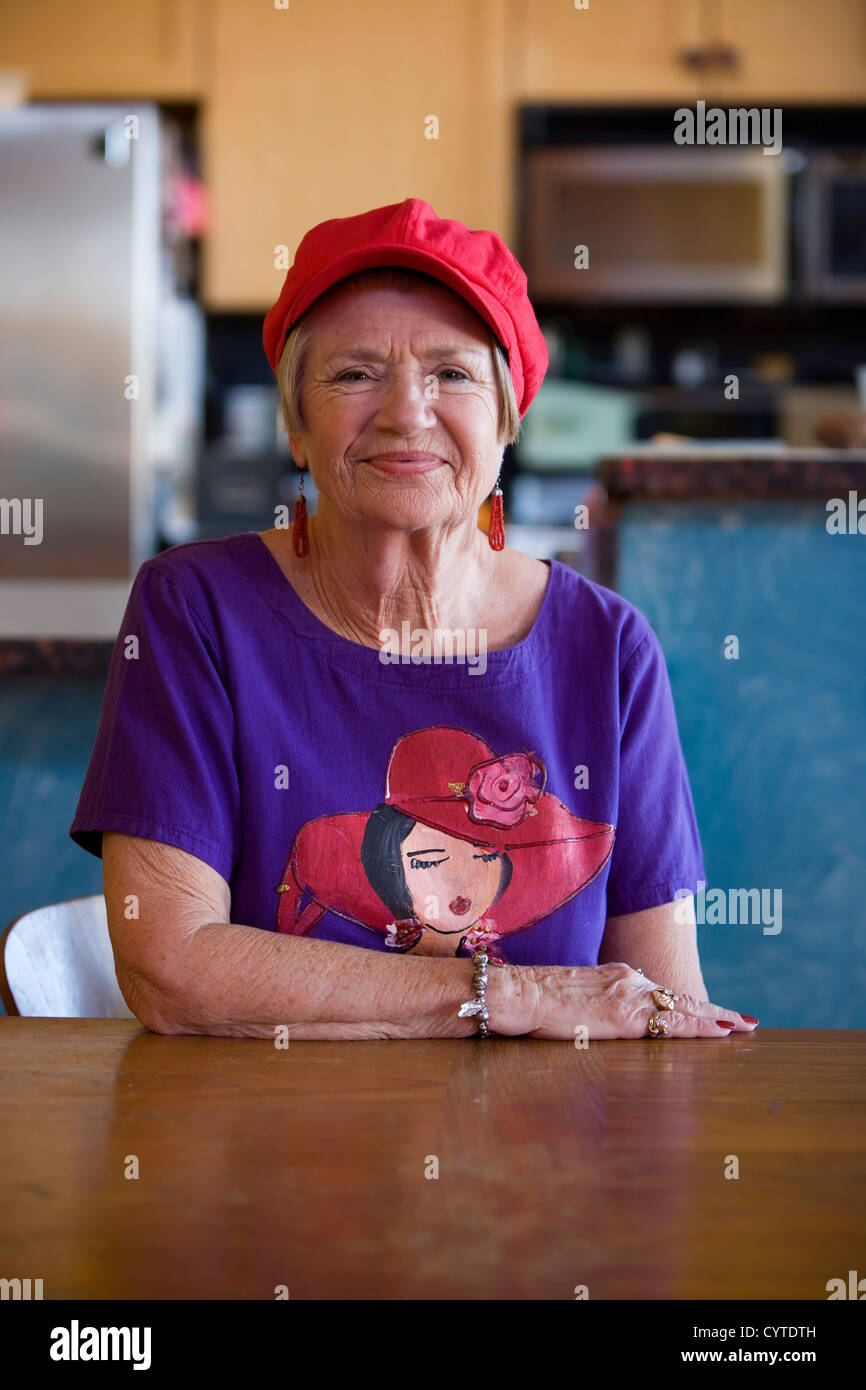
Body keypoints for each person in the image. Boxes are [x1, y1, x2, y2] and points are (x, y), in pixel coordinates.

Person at [69, 197, 758, 1042]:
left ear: (507, 417)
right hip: (262, 1152)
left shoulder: (608, 648)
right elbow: (170, 968)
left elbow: (658, 1006)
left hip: (547, 1161)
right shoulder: (196, 610)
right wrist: (508, 995)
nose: (405, 411)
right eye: (355, 373)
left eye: (453, 374)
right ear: (295, 423)